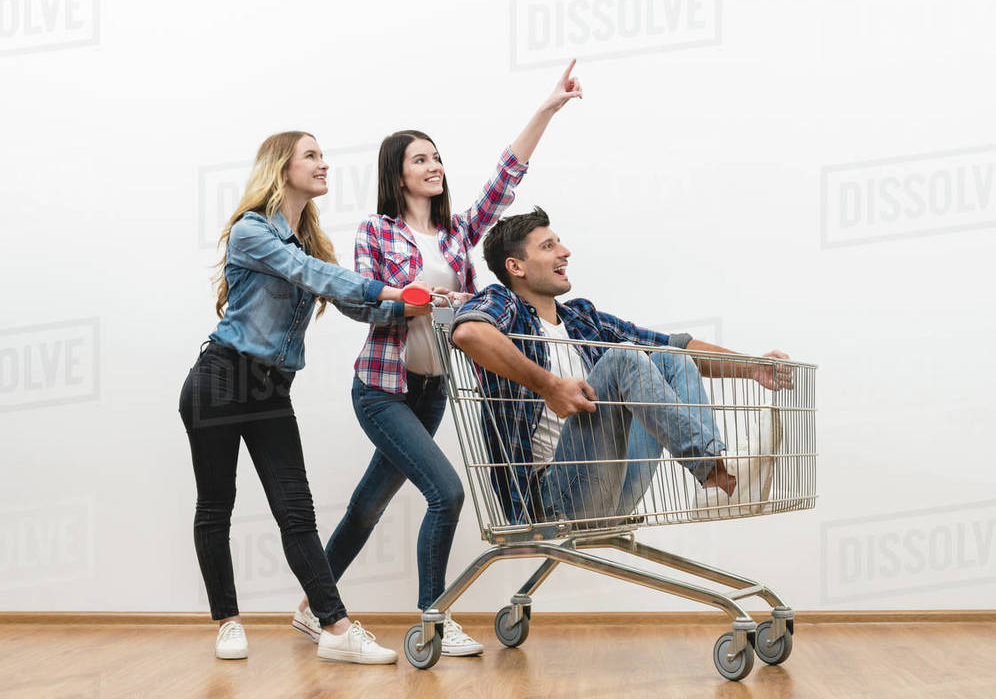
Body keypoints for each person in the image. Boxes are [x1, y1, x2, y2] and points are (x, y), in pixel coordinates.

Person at [290, 62, 583, 656]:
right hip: (381, 390)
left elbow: (505, 180)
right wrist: (420, 304)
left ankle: (309, 607)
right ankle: (434, 618)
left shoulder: (454, 234)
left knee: (367, 505)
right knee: (446, 492)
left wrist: (548, 108)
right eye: (421, 159)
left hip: (431, 390)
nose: (435, 167)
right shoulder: (377, 230)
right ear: (397, 173)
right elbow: (361, 305)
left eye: (437, 158)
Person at [179, 130, 425, 664]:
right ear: (281, 166)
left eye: (323, 156)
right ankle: (227, 621)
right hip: (221, 378)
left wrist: (414, 306)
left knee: (296, 511)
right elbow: (315, 276)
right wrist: (388, 290)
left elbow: (350, 301)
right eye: (312, 155)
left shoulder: (308, 242)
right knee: (216, 506)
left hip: (271, 389)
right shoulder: (252, 231)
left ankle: (334, 629)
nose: (324, 165)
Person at [449, 207, 791, 526]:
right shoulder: (503, 302)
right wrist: (549, 386)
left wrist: (752, 367)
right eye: (548, 245)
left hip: (612, 486)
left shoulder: (581, 319)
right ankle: (719, 474)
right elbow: (468, 332)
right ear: (516, 267)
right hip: (551, 502)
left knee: (671, 358)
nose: (564, 251)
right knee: (624, 357)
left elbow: (676, 345)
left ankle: (717, 481)